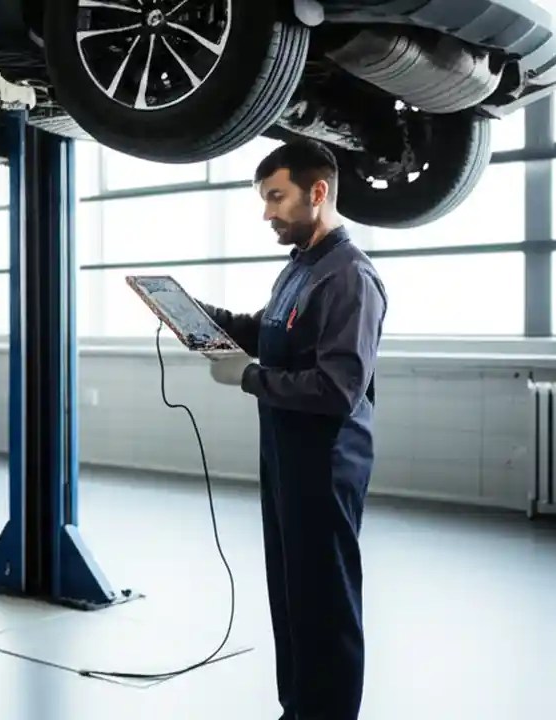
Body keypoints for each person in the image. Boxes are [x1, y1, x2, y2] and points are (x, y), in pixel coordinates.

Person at [198, 139, 387, 720]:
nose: (267, 213)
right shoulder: (301, 268)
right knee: (291, 593)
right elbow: (265, 330)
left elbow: (338, 388)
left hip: (326, 462)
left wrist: (249, 378)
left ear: (318, 191)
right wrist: (195, 315)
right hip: (285, 453)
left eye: (276, 197)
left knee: (325, 600)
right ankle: (299, 708)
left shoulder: (350, 277)